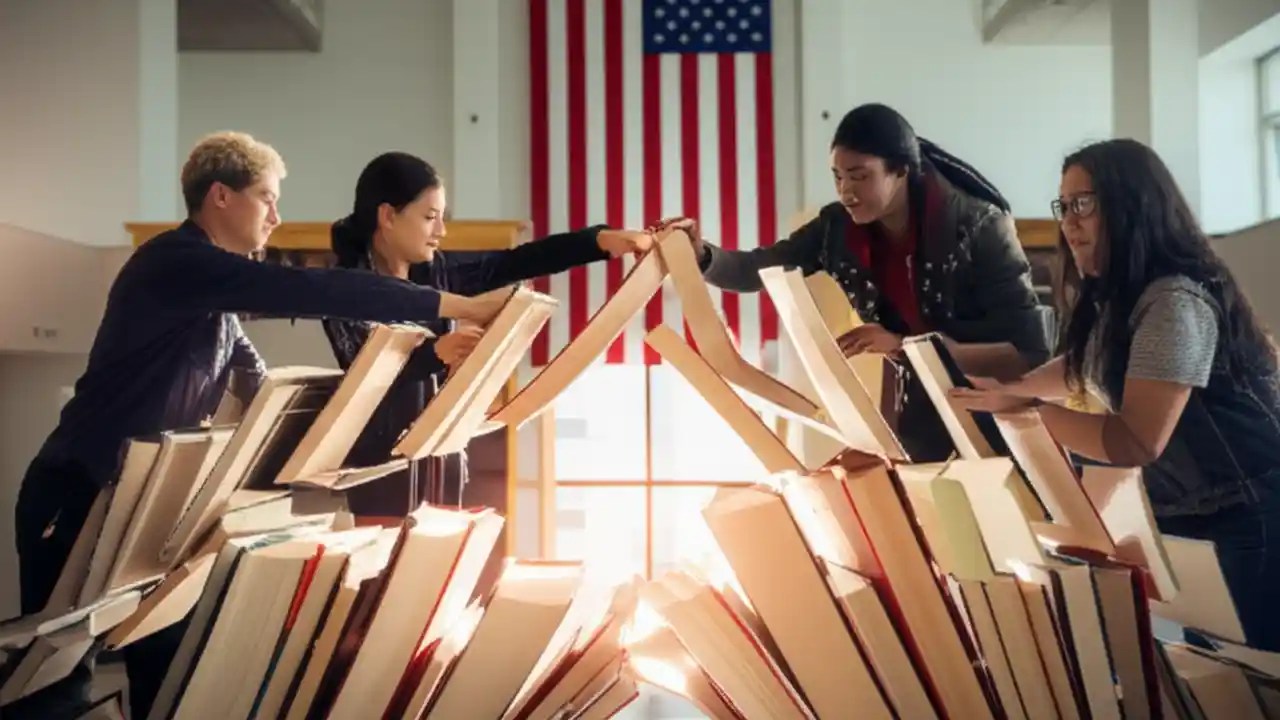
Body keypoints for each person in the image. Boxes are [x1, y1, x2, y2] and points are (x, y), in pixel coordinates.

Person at [7, 131, 509, 719]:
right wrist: (454, 306)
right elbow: (312, 287)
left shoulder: (217, 301)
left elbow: (270, 393)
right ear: (221, 196)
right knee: (58, 681)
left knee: (167, 662)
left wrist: (352, 439)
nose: (277, 215)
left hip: (145, 502)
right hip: (77, 490)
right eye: (267, 198)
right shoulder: (177, 262)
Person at [950, 138, 1280, 651]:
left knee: (1250, 674)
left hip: (1252, 516)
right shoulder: (1126, 297)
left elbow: (1135, 442)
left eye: (1084, 204)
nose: (1069, 222)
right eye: (1064, 205)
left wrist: (1029, 413)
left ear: (1131, 207)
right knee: (1217, 670)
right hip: (1201, 514)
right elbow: (1086, 366)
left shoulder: (1174, 303)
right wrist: (1015, 389)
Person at [658, 103, 1051, 461]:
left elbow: (1027, 352)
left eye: (860, 177)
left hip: (992, 407)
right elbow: (759, 268)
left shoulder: (980, 227)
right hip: (919, 401)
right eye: (838, 177)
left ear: (901, 171)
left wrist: (904, 346)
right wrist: (702, 255)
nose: (846, 191)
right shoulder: (837, 230)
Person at [321, 151, 654, 515]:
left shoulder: (436, 272)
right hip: (378, 474)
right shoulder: (345, 287)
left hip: (444, 462)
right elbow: (364, 373)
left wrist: (598, 241)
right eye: (430, 218)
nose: (441, 232)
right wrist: (436, 353)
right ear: (387, 216)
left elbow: (514, 262)